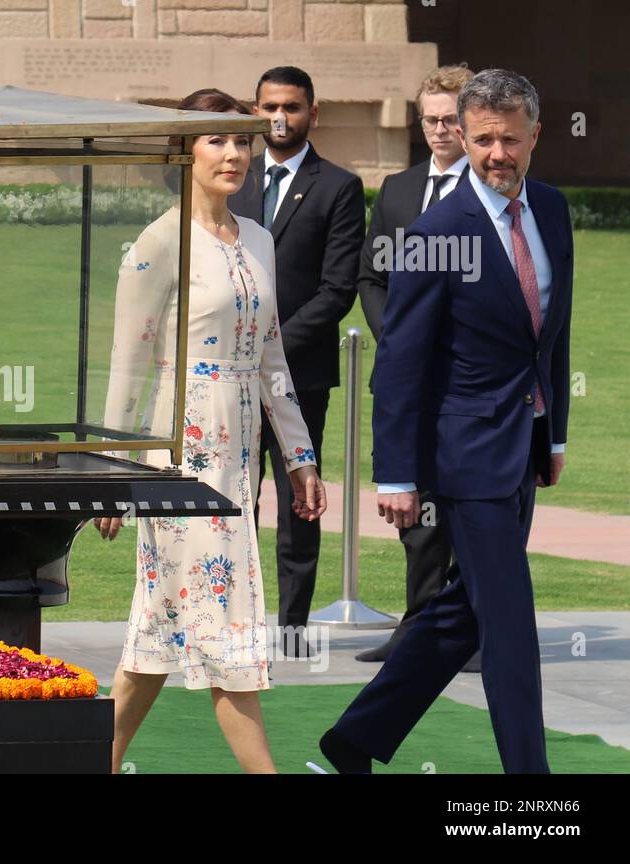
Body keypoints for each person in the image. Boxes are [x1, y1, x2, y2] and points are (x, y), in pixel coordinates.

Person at [320, 69, 571, 774]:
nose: (498, 153)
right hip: (462, 457)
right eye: (484, 138)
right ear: (462, 136)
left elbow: (556, 333)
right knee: (510, 625)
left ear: (535, 137)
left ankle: (355, 738)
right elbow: (400, 361)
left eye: (510, 139)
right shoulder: (434, 231)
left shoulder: (552, 211)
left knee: (464, 610)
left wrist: (553, 433)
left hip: (522, 445)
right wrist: (396, 475)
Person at [94, 89, 326, 775]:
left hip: (239, 458)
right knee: (227, 627)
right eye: (216, 141)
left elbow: (272, 355)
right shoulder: (158, 243)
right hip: (180, 462)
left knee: (158, 636)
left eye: (243, 141)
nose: (235, 154)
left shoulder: (258, 238)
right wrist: (113, 468)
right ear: (183, 151)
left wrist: (300, 457)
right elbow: (126, 363)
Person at [228, 67, 365, 657]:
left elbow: (337, 291)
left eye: (291, 106)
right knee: (232, 496)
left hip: (297, 373)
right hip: (228, 373)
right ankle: (229, 620)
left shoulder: (338, 186)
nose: (278, 116)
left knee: (297, 499)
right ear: (255, 112)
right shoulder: (232, 179)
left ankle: (290, 627)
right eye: (267, 107)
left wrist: (269, 342)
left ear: (313, 112)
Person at [354, 63, 482, 671]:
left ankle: (471, 634)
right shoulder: (400, 191)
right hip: (406, 386)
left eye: (450, 120)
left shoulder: (493, 191)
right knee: (415, 510)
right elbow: (371, 277)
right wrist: (400, 344)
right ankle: (419, 631)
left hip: (467, 383)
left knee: (471, 507)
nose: (438, 130)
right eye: (429, 119)